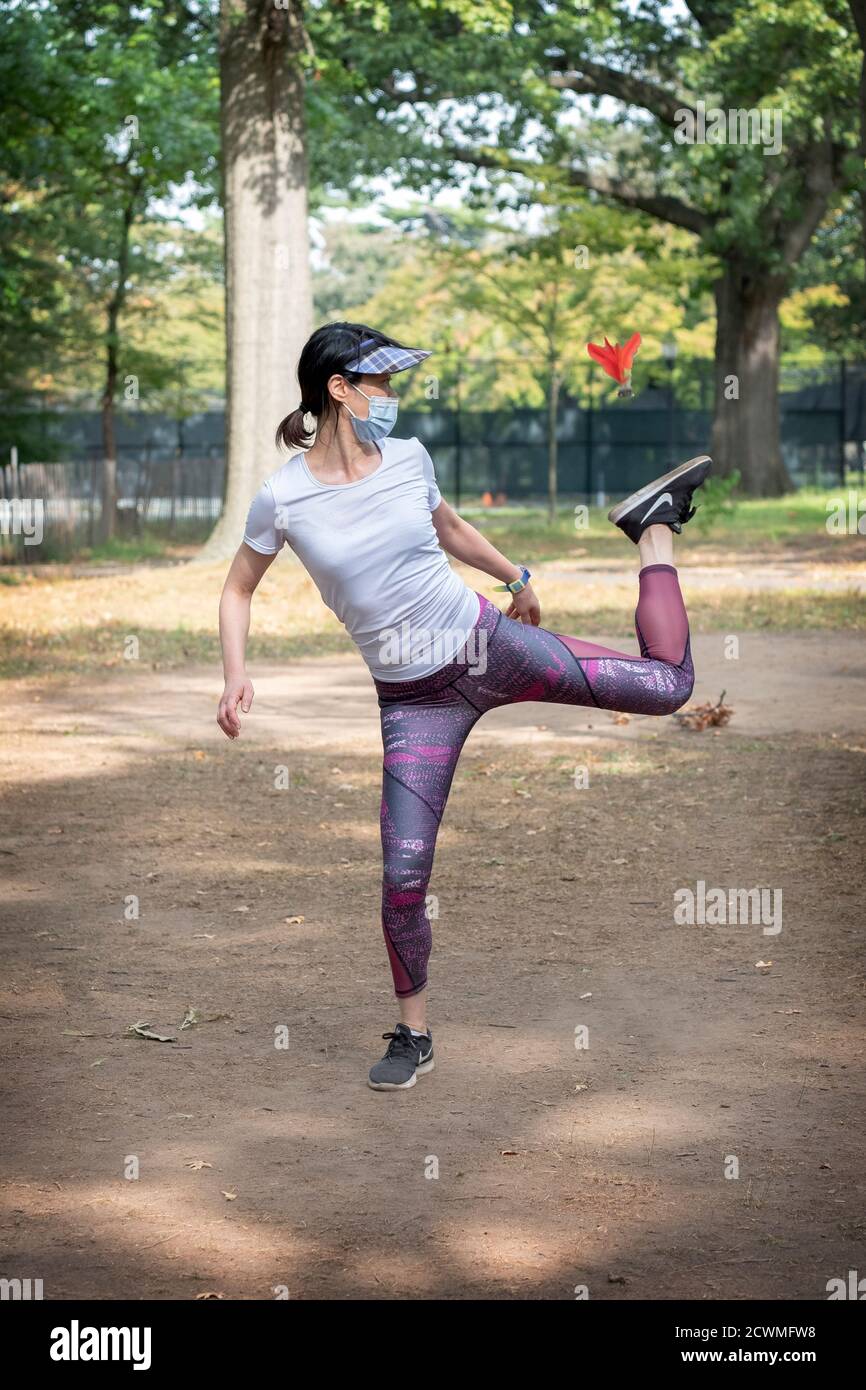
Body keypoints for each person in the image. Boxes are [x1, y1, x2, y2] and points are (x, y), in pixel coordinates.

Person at [216, 321, 711, 1092]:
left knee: (668, 686)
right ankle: (413, 1035)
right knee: (404, 873)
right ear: (339, 390)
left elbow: (447, 528)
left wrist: (517, 579)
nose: (391, 395)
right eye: (378, 382)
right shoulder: (284, 497)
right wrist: (235, 674)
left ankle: (652, 530)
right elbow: (238, 586)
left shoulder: (409, 458)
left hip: (488, 645)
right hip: (414, 705)